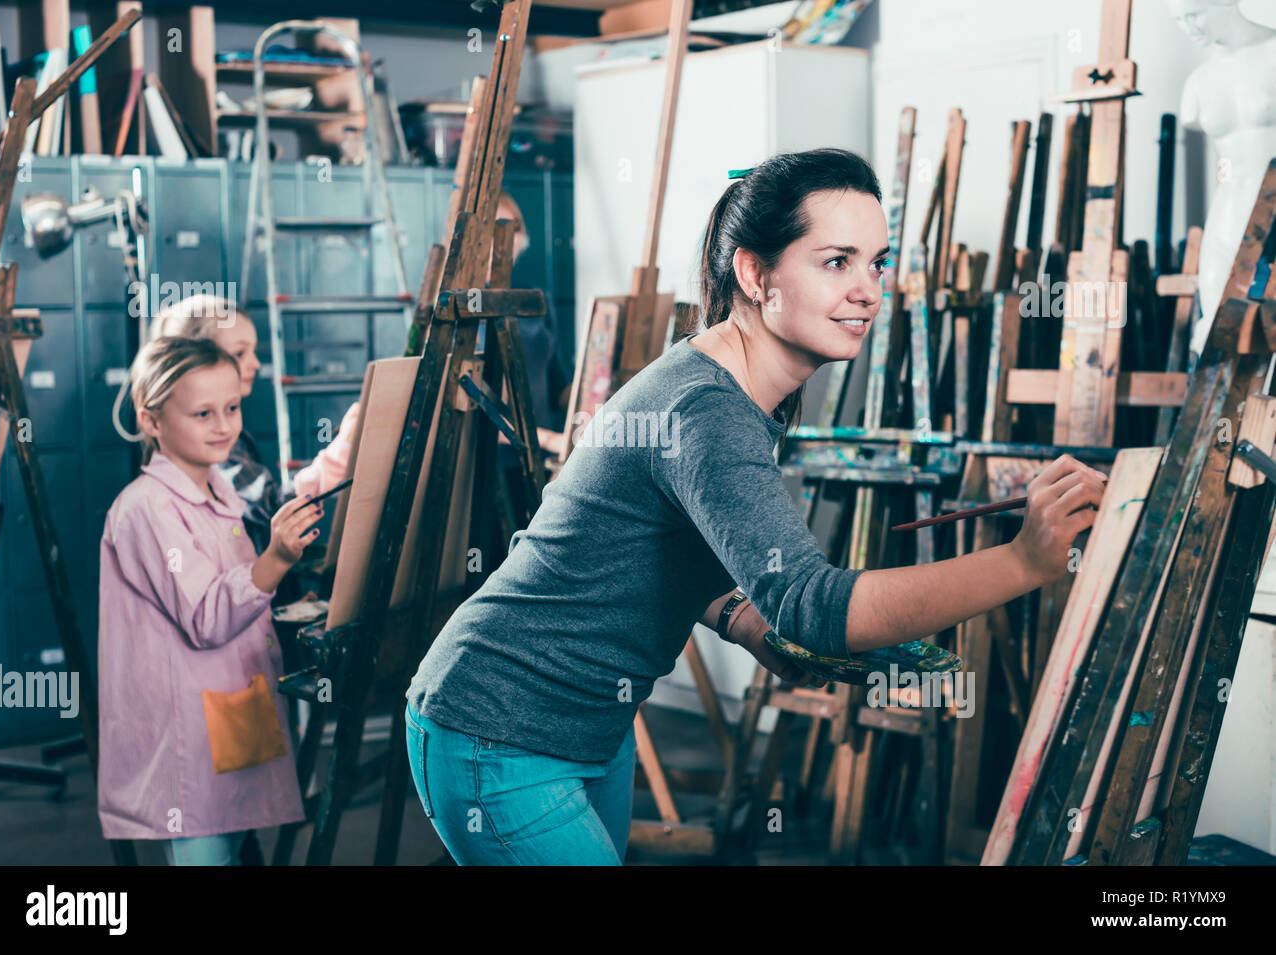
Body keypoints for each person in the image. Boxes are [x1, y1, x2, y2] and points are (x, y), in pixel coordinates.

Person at [403, 148, 1107, 865]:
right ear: (755, 274)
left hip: (583, 728)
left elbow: (647, 539)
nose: (868, 290)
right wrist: (1025, 560)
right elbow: (813, 606)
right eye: (837, 262)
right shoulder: (707, 408)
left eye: (877, 263)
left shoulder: (719, 381)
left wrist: (742, 621)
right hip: (498, 727)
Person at [97, 336, 321, 864]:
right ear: (151, 421)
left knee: (237, 844)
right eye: (202, 413)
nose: (224, 425)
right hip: (189, 738)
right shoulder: (147, 508)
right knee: (205, 848)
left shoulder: (218, 491)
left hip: (233, 717)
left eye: (232, 408)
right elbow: (205, 616)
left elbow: (237, 595)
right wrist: (277, 559)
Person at [147, 294, 357, 556]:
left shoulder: (223, 433)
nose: (256, 364)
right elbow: (270, 509)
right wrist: (339, 457)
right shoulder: (209, 442)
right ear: (197, 359)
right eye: (239, 353)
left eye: (253, 351)